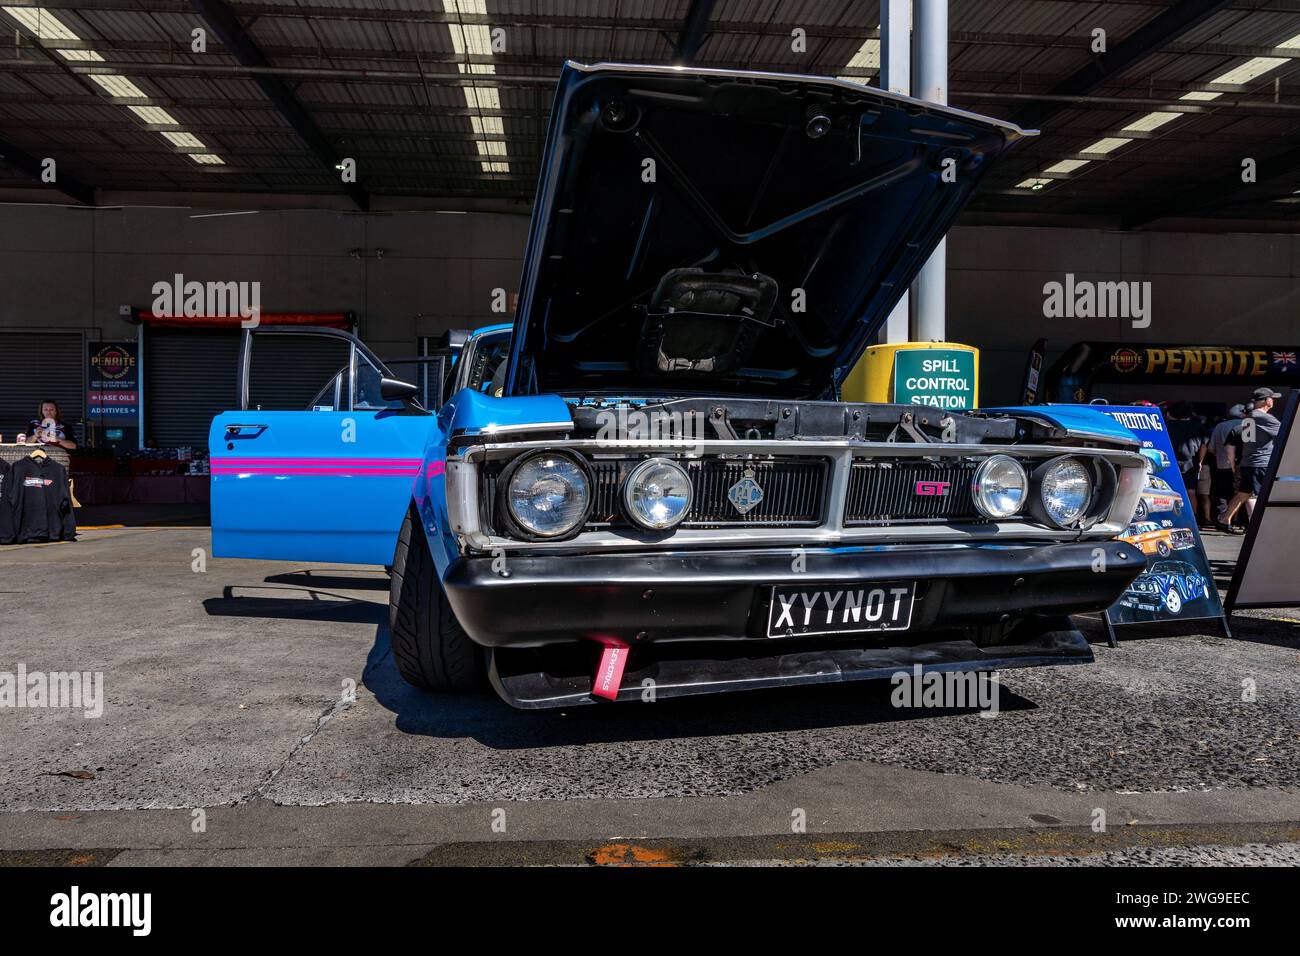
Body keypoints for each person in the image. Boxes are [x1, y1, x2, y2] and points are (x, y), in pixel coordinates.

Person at [1222, 388, 1283, 528]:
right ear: (1267, 400)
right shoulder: (1265, 417)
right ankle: (1260, 526)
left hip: (1248, 462)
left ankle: (1225, 519)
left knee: (1243, 493)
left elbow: (1248, 441)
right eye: (1272, 398)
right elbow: (1286, 433)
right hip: (1262, 462)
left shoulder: (1249, 416)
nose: (1273, 401)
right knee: (1261, 496)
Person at [1207, 403, 1245, 532]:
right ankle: (1240, 521)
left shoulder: (1219, 426)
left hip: (1221, 464)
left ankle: (1221, 519)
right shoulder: (1248, 425)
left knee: (1222, 493)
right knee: (1243, 493)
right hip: (1241, 465)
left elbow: (1211, 448)